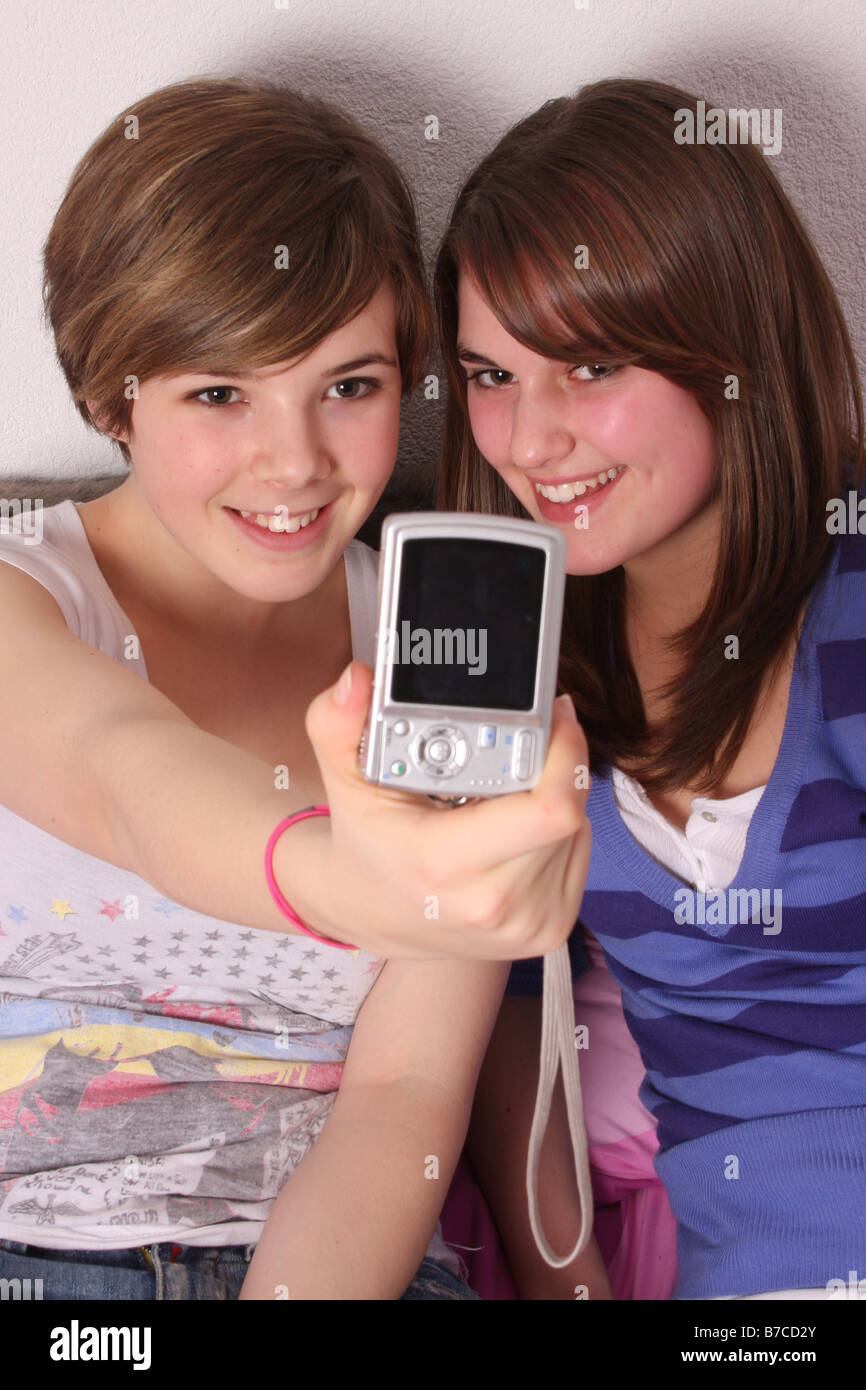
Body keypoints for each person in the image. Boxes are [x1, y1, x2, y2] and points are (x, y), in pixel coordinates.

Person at [0, 75, 593, 1301]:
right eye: (219, 392)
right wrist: (344, 881)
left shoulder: (446, 642)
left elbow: (401, 1102)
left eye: (349, 386)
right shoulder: (24, 595)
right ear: (115, 393)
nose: (295, 463)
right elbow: (123, 776)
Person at [434, 76, 865, 1301]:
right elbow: (500, 1018)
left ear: (732, 346)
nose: (526, 442)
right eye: (488, 374)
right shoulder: (505, 650)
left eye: (590, 365)